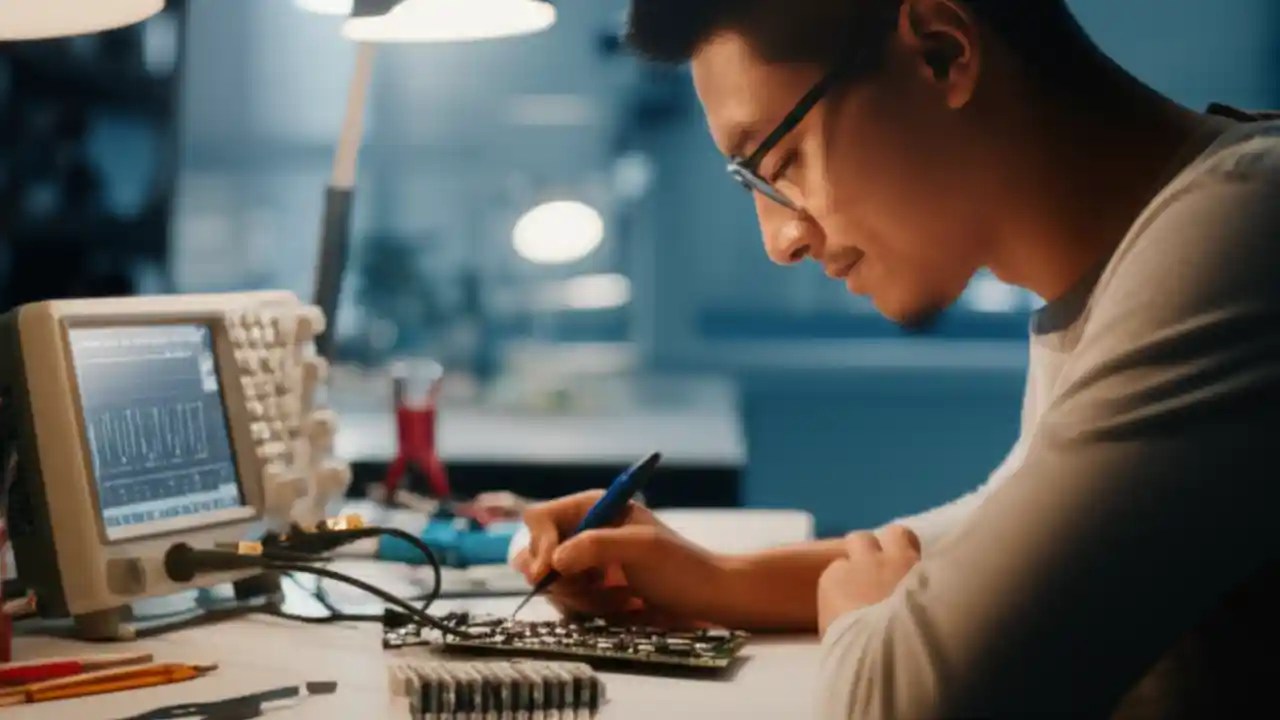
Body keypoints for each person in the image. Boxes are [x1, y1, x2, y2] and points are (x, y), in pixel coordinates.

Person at [511, 1, 1280, 716]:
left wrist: (871, 614)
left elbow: (904, 702)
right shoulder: (1150, 253)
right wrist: (720, 580)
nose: (781, 241)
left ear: (942, 54)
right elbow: (1002, 530)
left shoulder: (1242, 239)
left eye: (780, 162)